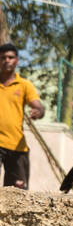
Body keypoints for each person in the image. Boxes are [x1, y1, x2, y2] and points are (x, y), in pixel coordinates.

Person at [0, 42, 45, 188]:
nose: (7, 60)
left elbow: (38, 106)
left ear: (16, 60)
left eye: (10, 57)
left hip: (16, 146)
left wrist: (38, 112)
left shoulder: (24, 85)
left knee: (17, 197)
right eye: (3, 57)